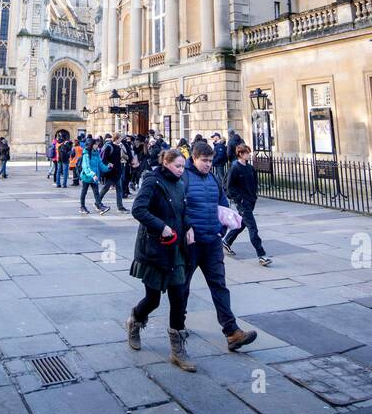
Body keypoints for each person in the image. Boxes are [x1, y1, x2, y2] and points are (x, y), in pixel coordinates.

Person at [180, 140, 258, 351]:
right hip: (191, 244)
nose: (208, 164)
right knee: (182, 286)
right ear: (194, 158)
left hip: (212, 242)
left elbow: (223, 205)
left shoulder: (213, 178)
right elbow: (177, 207)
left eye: (210, 161)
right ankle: (178, 325)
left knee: (219, 286)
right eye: (204, 161)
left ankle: (232, 332)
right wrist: (187, 230)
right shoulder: (184, 178)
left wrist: (220, 231)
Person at [126, 149, 196, 371]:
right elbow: (138, 210)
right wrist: (161, 227)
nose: (181, 171)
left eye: (183, 167)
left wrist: (188, 227)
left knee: (179, 298)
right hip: (155, 250)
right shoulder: (152, 181)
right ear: (166, 163)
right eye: (177, 166)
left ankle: (177, 351)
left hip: (176, 250)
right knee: (153, 300)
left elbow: (182, 210)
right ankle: (135, 321)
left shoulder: (180, 183)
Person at [222, 144, 270, 265]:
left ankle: (226, 241)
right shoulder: (235, 168)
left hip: (250, 201)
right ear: (241, 154)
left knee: (241, 224)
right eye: (247, 153)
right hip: (243, 203)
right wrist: (240, 200)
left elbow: (254, 182)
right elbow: (229, 187)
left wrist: (254, 196)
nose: (250, 154)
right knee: (253, 228)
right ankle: (261, 255)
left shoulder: (250, 168)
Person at [78, 140, 108, 214]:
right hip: (87, 176)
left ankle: (99, 206)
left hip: (94, 177)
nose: (97, 146)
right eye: (95, 144)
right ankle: (82, 207)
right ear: (91, 145)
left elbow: (100, 164)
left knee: (96, 192)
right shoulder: (86, 154)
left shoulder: (96, 153)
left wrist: (108, 168)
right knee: (84, 192)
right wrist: (93, 175)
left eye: (97, 145)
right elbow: (86, 167)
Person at [99, 133, 127, 212]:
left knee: (119, 188)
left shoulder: (118, 147)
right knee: (106, 187)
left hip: (117, 171)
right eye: (120, 138)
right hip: (111, 172)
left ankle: (120, 206)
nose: (121, 140)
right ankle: (97, 202)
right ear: (117, 138)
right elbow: (103, 159)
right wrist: (108, 163)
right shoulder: (109, 147)